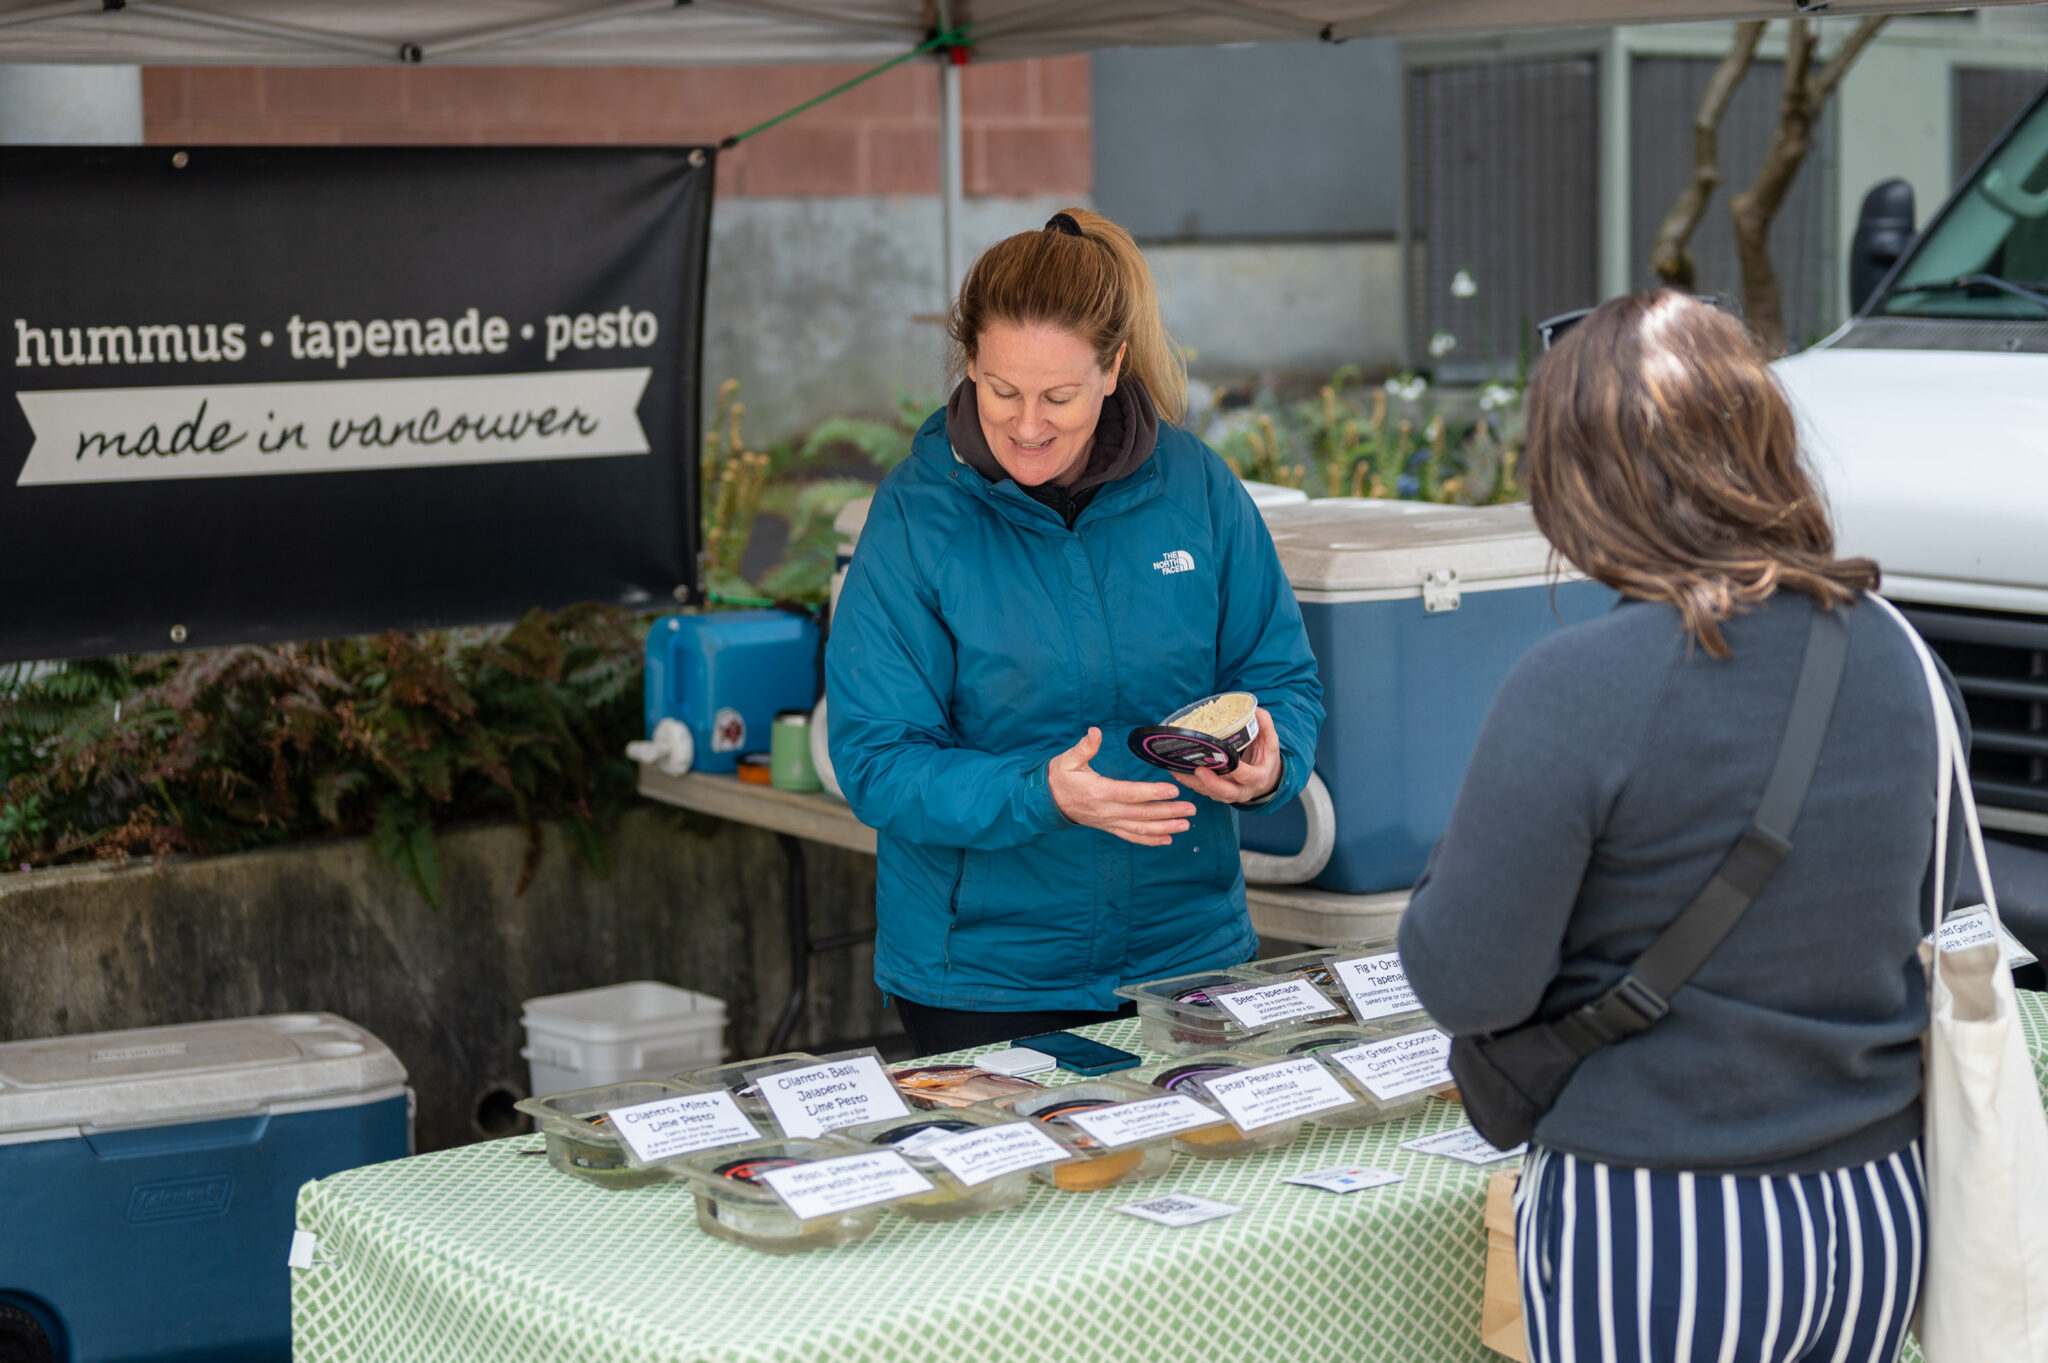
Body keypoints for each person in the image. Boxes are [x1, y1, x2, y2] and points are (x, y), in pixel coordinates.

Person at [1398, 292, 1964, 1363]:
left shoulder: (1574, 686)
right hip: (1876, 1201)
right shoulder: (1901, 660)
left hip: (1662, 1215)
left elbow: (1467, 979)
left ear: (1577, 478)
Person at [825, 208, 1324, 1056]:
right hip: (984, 975)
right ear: (969, 365)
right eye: (1000, 389)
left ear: (1114, 368)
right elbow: (878, 760)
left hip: (1186, 962)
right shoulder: (915, 515)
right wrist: (1040, 793)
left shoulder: (1195, 487)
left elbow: (1279, 675)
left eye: (1057, 395)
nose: (1025, 424)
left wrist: (1273, 757)